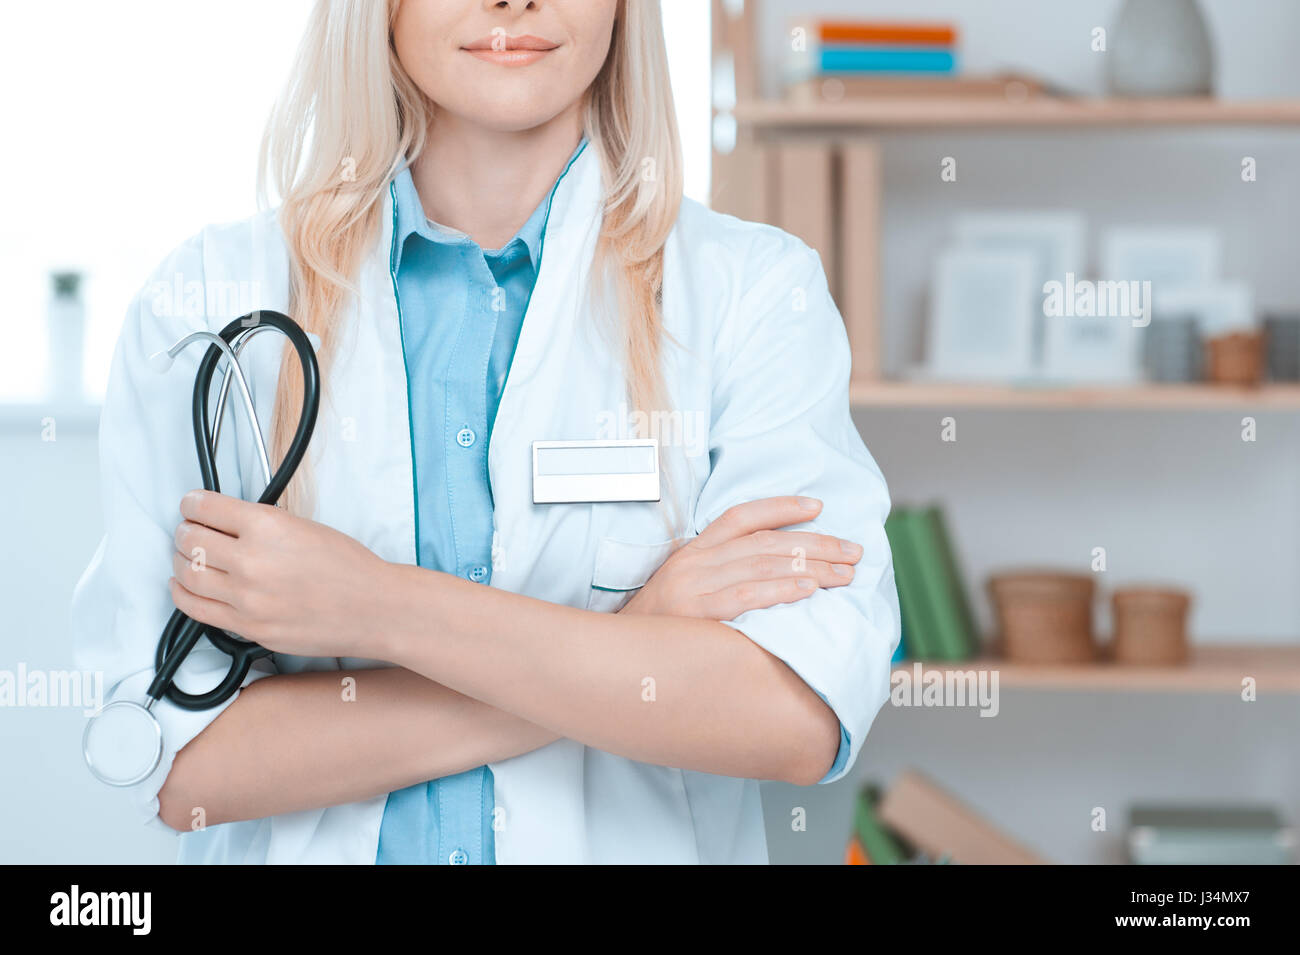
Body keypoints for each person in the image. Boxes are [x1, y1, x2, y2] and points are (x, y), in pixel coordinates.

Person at [72, 0, 899, 864]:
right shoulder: (211, 297)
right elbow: (182, 764)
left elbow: (793, 715)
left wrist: (377, 605)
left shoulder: (753, 295)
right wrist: (628, 642)